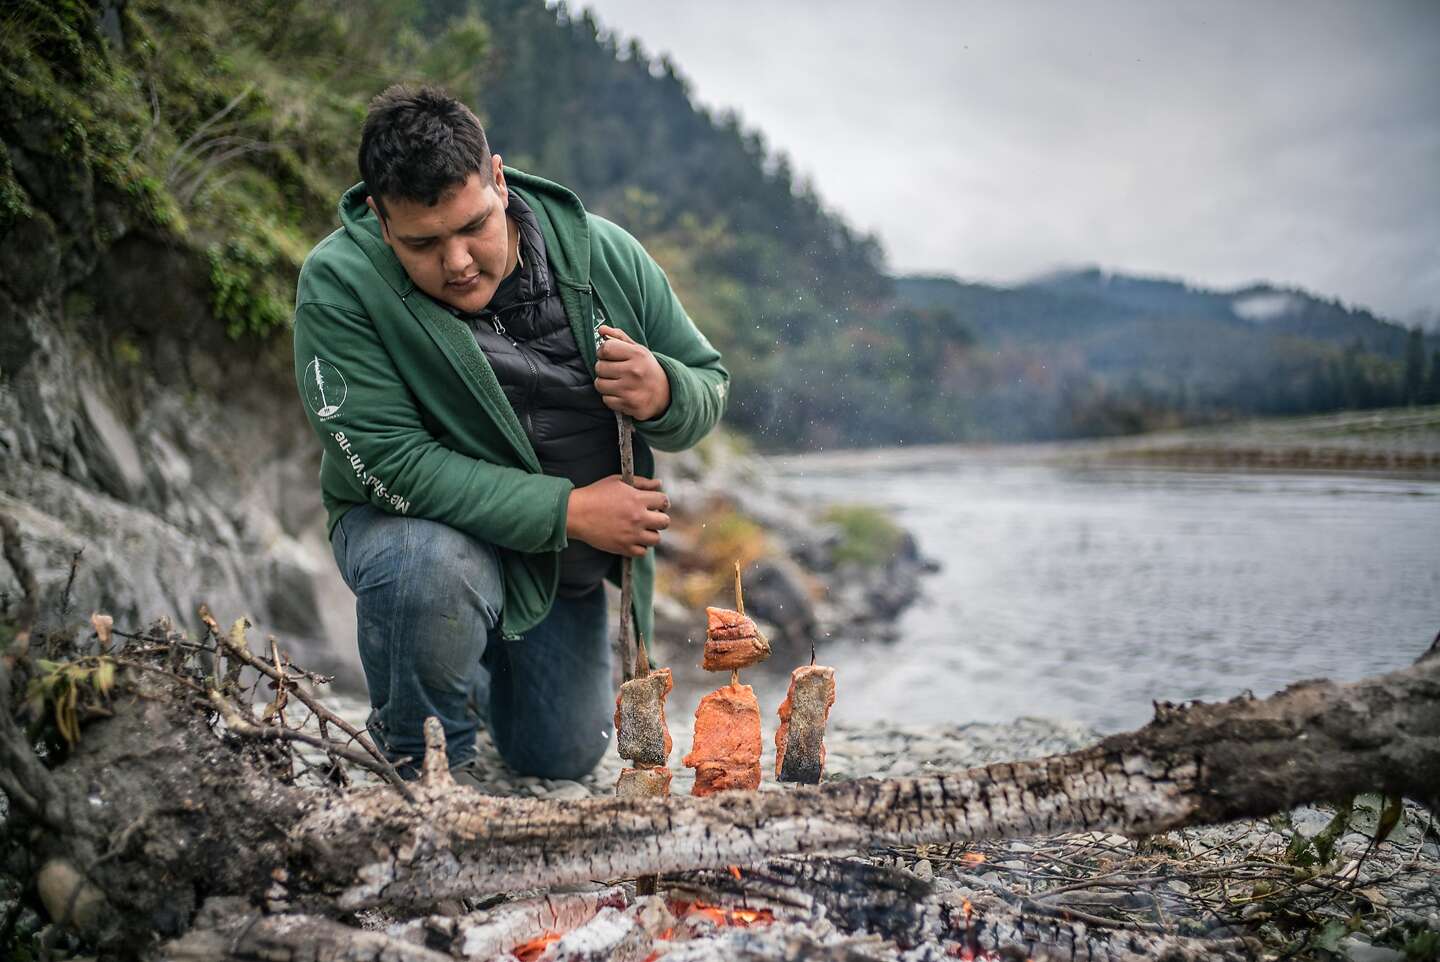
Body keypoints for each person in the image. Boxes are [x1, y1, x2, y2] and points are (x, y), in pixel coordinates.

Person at [291, 85, 728, 783]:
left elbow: (709, 382)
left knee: (559, 755)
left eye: (473, 227)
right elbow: (391, 462)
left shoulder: (603, 255)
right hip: (422, 537)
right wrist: (574, 511)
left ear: (498, 176)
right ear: (379, 218)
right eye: (423, 244)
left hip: (558, 571)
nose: (458, 262)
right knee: (427, 571)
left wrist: (664, 390)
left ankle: (465, 672)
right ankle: (423, 769)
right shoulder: (339, 285)